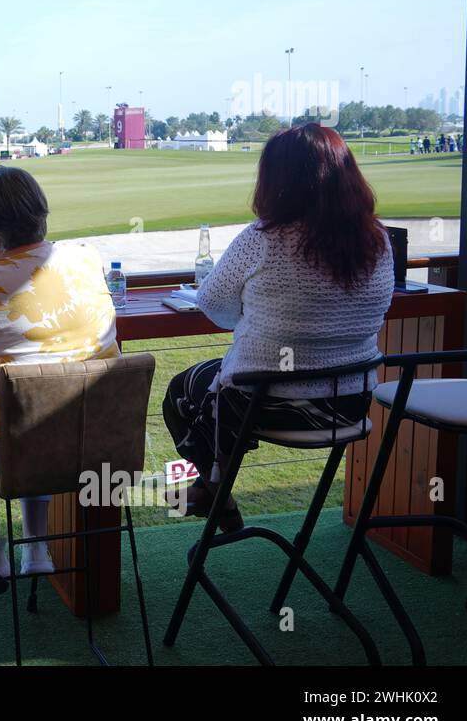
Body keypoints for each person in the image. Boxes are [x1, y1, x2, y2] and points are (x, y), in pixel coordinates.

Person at [162, 124, 393, 531]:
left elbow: (213, 305)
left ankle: (217, 492)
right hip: (353, 402)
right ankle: (214, 489)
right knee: (220, 393)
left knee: (185, 389)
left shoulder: (263, 238)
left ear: (276, 180)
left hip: (272, 403)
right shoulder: (377, 239)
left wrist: (252, 318)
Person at [0, 165, 119, 577]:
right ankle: (35, 549)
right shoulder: (89, 261)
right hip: (94, 439)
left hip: (7, 447)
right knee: (33, 409)